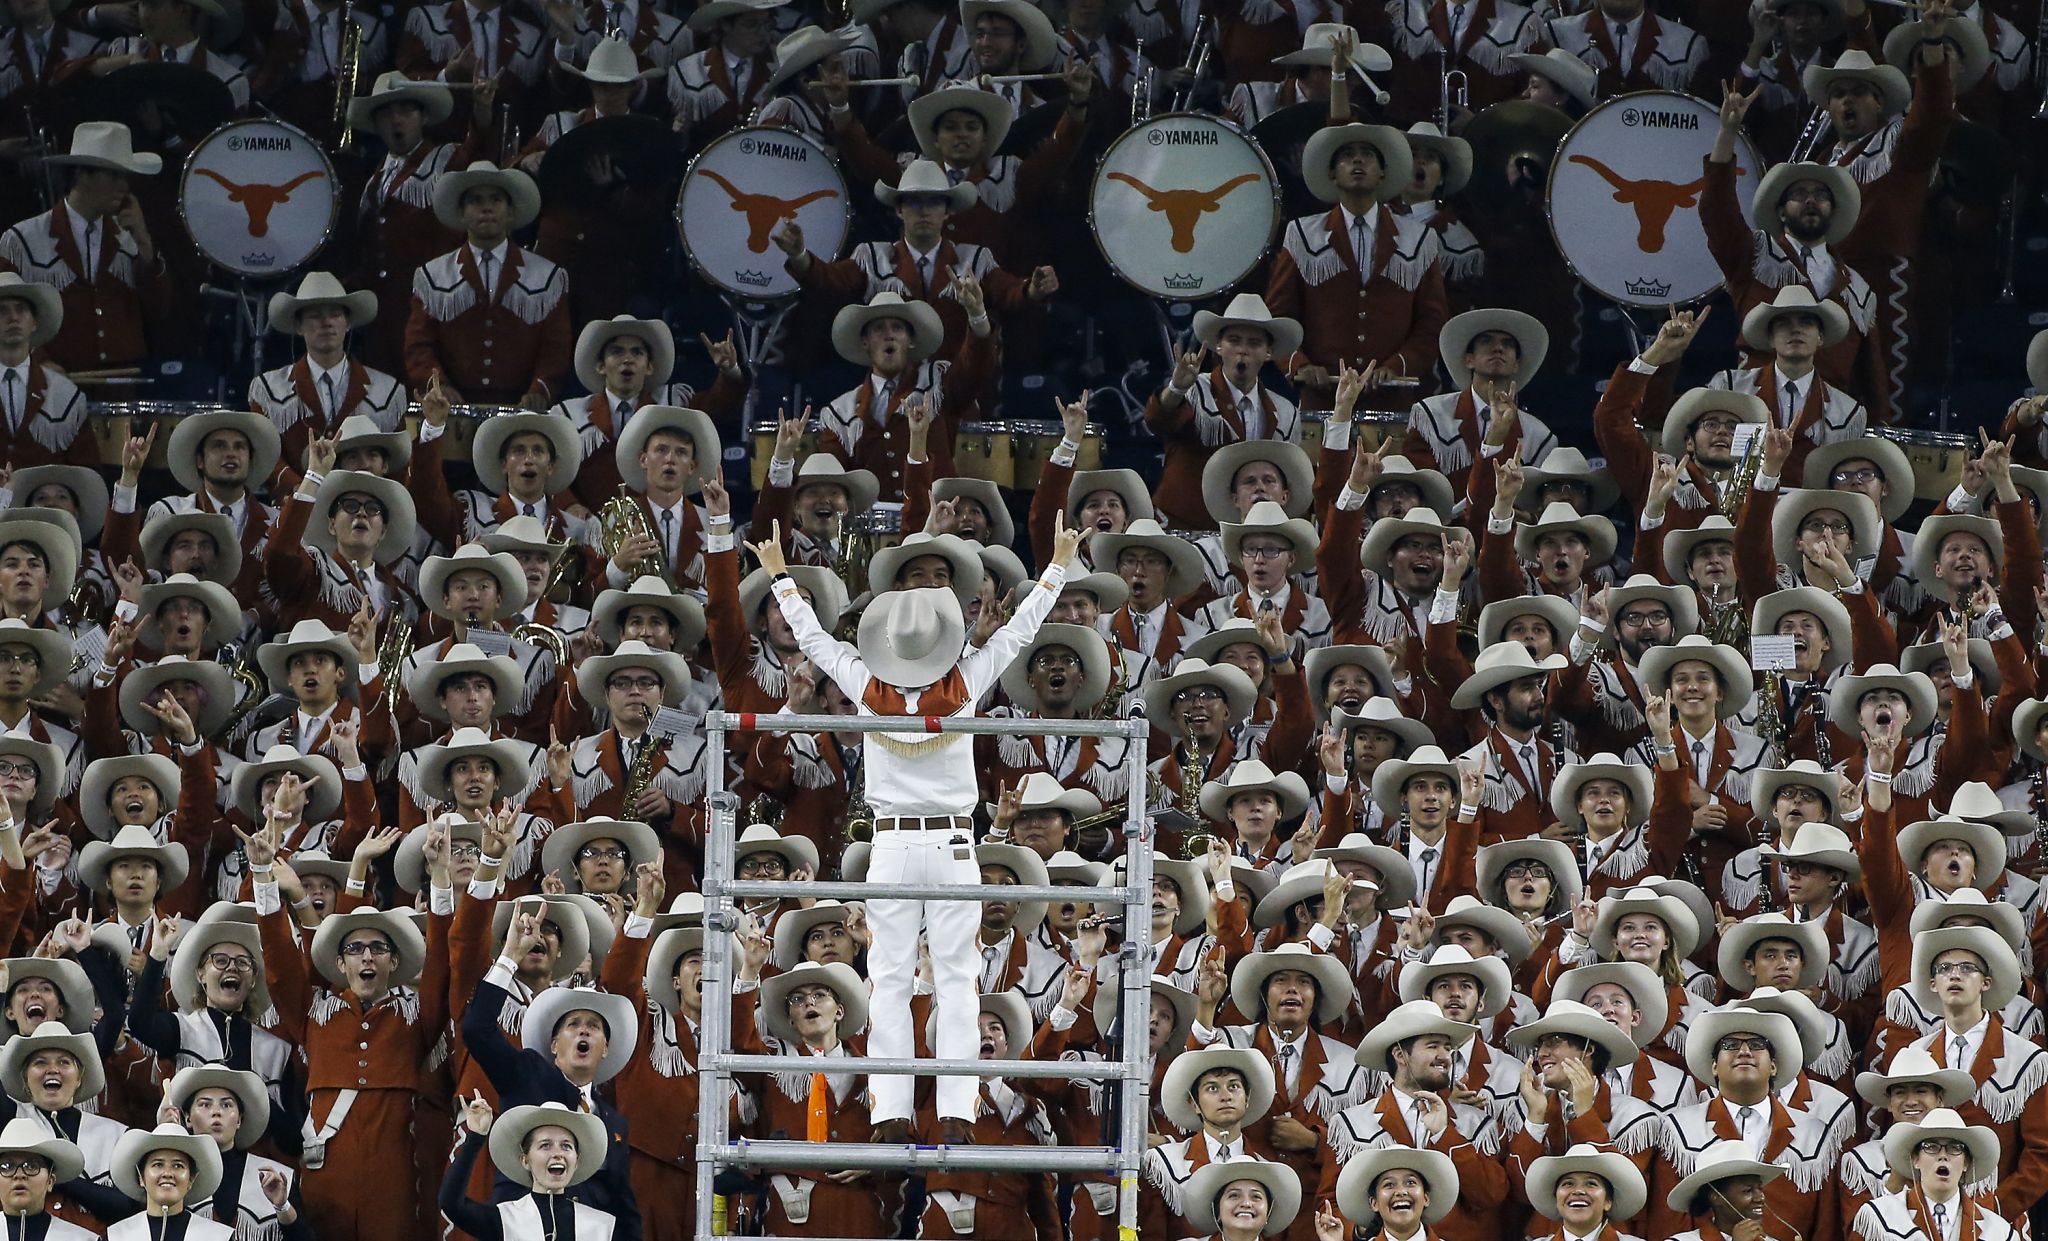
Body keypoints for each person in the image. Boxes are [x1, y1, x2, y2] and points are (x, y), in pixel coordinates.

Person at [744, 511, 1081, 1143]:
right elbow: (1017, 633)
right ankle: (956, 1112)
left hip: (892, 843)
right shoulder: (968, 677)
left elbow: (813, 641)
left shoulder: (865, 681)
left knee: (891, 978)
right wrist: (1058, 563)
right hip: (952, 840)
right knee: (957, 979)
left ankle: (890, 1113)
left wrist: (781, 578)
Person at [403, 161, 571, 409]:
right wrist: (440, 386)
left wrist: (540, 389)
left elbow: (556, 347)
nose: (486, 208)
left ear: (511, 211)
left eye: (495, 199)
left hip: (522, 407)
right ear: (461, 213)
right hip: (453, 411)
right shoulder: (433, 275)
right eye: (475, 201)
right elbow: (418, 345)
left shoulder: (546, 275)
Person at [441, 1097, 619, 1241]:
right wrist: (475, 1138)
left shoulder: (602, 1226)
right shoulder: (505, 1219)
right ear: (525, 1160)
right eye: (545, 1145)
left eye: (566, 1146)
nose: (557, 1153)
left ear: (577, 1161)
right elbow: (450, 1204)